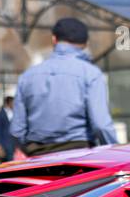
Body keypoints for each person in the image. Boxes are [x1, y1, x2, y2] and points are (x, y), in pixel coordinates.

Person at [12, 17, 116, 156]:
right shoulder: (91, 74)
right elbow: (101, 125)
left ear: (54, 39)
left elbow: (17, 129)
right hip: (79, 156)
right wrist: (114, 151)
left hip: (36, 157)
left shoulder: (27, 76)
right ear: (85, 44)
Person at [0, 95, 15, 160]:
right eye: (13, 102)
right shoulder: (0, 115)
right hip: (4, 144)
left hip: (11, 144)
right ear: (8, 103)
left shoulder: (12, 113)